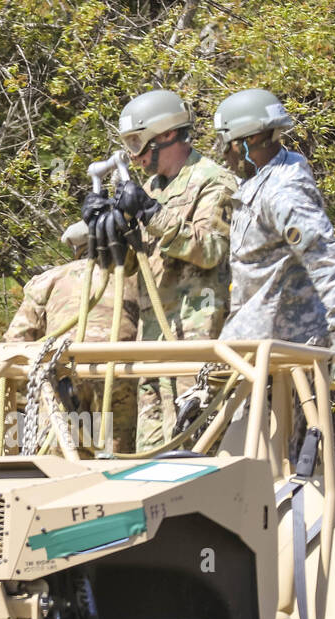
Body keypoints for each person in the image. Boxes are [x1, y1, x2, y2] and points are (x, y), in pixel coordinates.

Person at [84, 89, 238, 450]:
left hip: (195, 343)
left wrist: (151, 213)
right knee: (149, 456)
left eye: (137, 143)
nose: (133, 157)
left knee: (193, 453)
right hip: (152, 342)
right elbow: (132, 266)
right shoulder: (153, 188)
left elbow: (212, 248)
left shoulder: (214, 180)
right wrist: (105, 230)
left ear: (167, 134)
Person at [211, 88, 335, 351]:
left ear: (251, 140)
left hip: (285, 349)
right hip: (253, 343)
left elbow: (326, 258)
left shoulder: (283, 193)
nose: (224, 154)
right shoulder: (258, 181)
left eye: (227, 143)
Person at [4, 221, 138, 452]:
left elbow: (16, 340)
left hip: (62, 379)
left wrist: (28, 390)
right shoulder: (136, 280)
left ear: (77, 249)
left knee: (61, 463)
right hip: (117, 378)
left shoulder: (51, 279)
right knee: (116, 466)